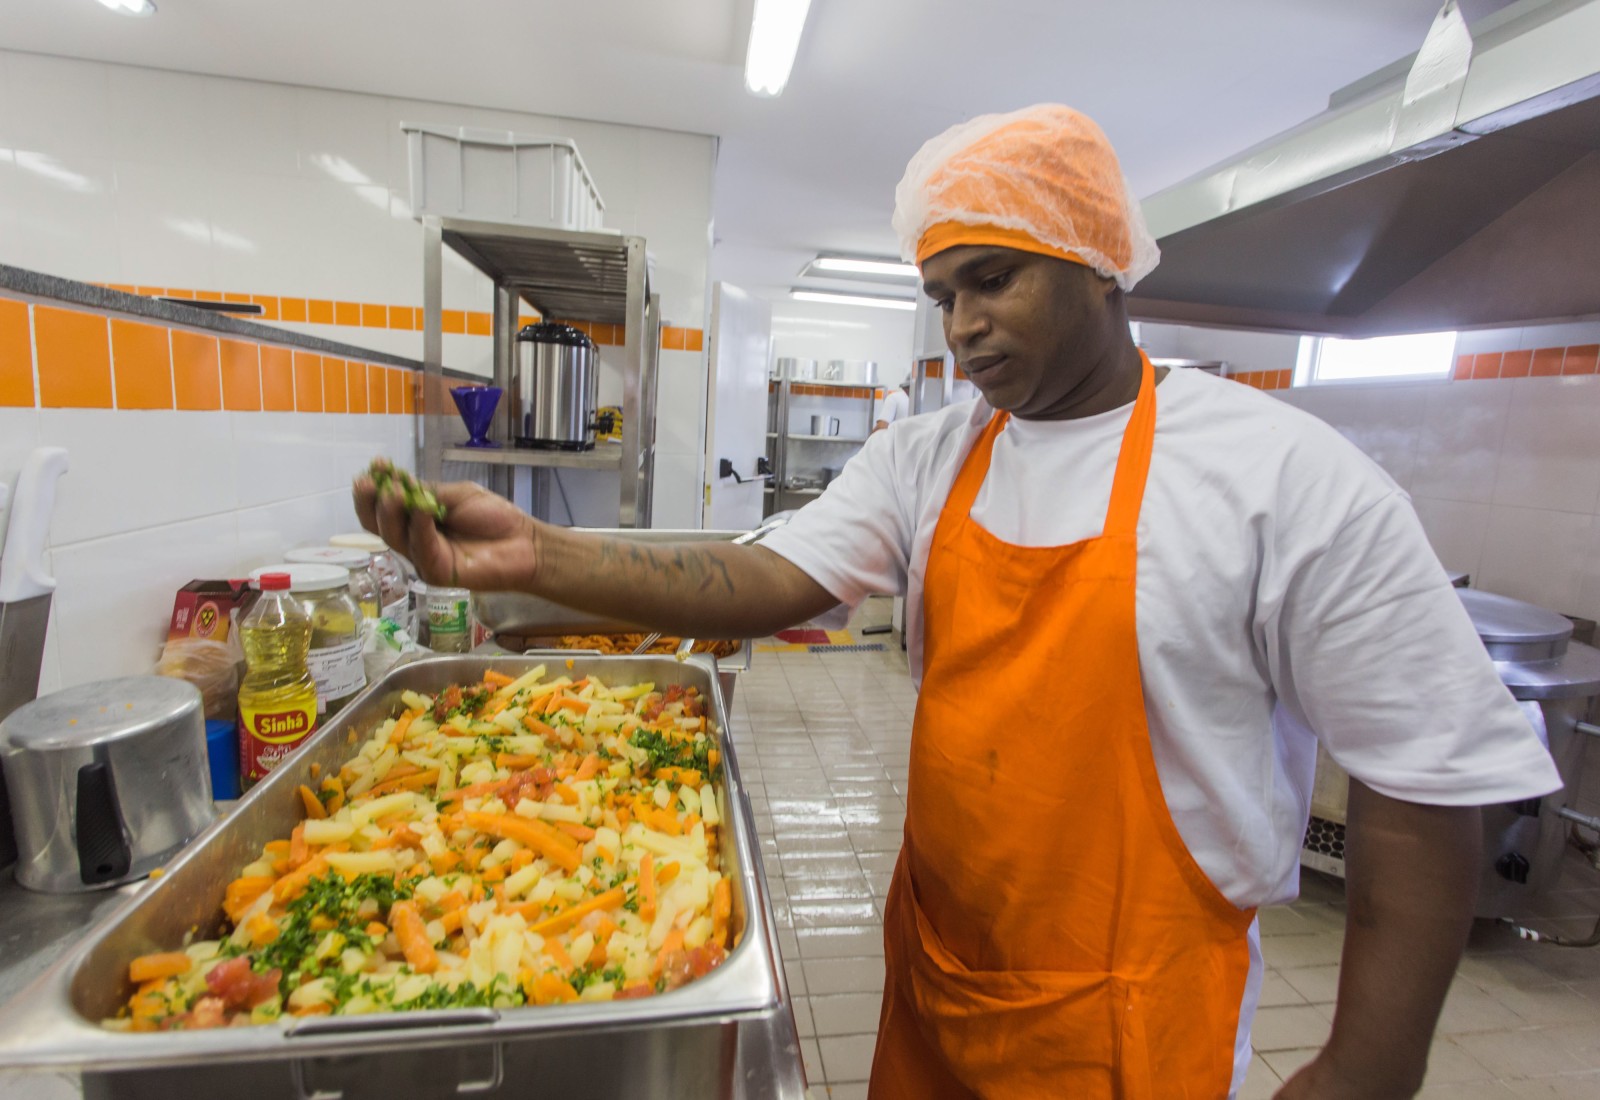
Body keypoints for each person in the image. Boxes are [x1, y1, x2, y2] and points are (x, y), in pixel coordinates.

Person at [355, 104, 1561, 1100]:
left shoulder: (1282, 477)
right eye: (941, 293)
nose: (964, 324)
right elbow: (764, 578)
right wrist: (538, 553)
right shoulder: (931, 456)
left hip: (1134, 1018)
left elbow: (1430, 774)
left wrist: (1367, 1066)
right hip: (941, 972)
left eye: (993, 279)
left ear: (1098, 263)